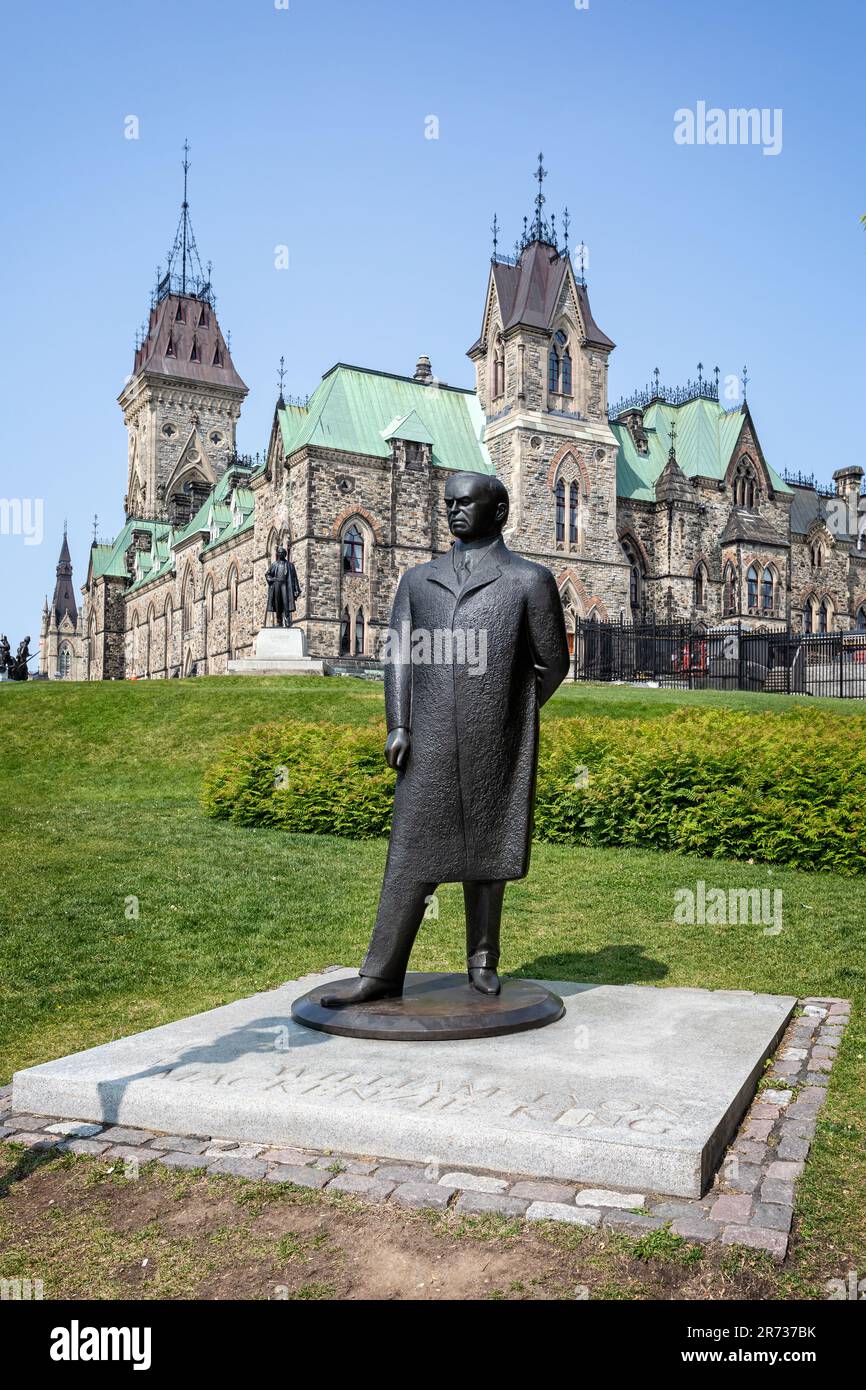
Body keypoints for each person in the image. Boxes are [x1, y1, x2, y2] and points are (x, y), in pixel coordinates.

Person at [321, 471, 569, 1007]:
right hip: (428, 738)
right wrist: (398, 724)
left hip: (492, 736)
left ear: (499, 511)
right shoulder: (418, 581)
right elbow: (399, 656)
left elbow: (552, 663)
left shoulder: (529, 580)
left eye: (466, 503)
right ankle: (382, 972)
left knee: (488, 843)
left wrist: (509, 712)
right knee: (410, 854)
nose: (454, 511)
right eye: (449, 503)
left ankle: (483, 958)